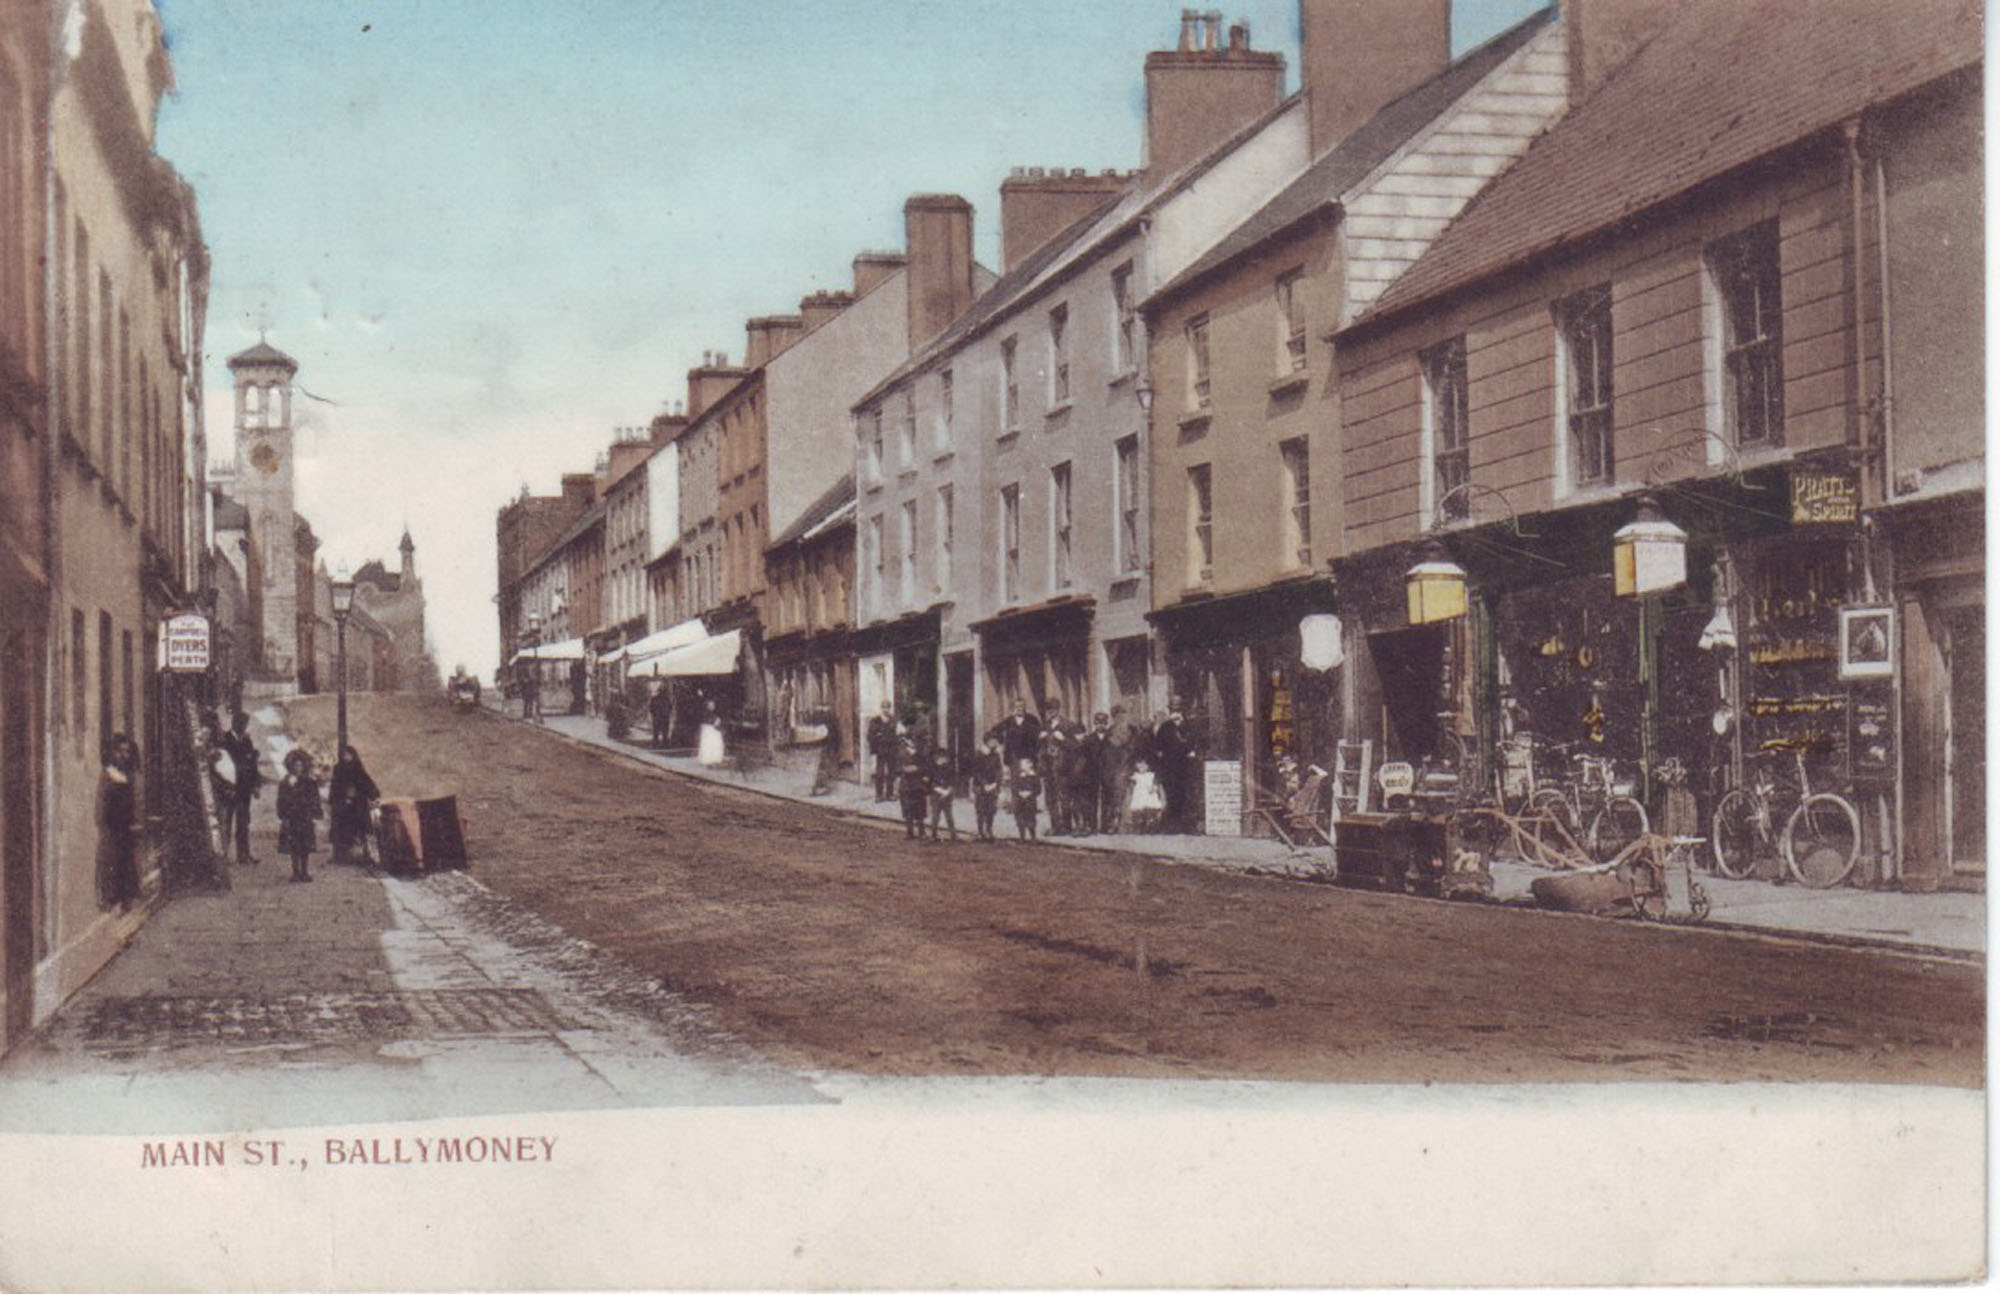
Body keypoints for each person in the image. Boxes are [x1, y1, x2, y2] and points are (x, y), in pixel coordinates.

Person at [98, 734, 142, 911]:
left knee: (127, 861)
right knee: (115, 862)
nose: (124, 755)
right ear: (112, 752)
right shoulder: (110, 773)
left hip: (127, 825)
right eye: (120, 751)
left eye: (127, 752)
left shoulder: (129, 774)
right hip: (115, 826)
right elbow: (105, 803)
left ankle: (126, 899)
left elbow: (135, 800)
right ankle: (115, 898)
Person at [219, 711, 262, 864]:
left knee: (243, 823)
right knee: (226, 823)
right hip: (230, 789)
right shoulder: (224, 740)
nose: (243, 727)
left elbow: (253, 765)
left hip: (244, 789)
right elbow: (221, 766)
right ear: (234, 723)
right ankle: (223, 856)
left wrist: (256, 786)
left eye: (245, 724)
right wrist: (225, 786)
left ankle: (243, 855)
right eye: (241, 724)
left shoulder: (247, 741)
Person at [275, 749, 323, 883]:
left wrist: (315, 812)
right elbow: (281, 800)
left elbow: (315, 798)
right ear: (291, 766)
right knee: (294, 845)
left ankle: (305, 871)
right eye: (296, 765)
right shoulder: (285, 782)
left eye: (301, 766)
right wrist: (283, 815)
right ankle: (295, 872)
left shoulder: (309, 781)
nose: (298, 768)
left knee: (305, 845)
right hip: (292, 817)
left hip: (305, 817)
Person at [328, 745, 380, 866]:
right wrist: (337, 798)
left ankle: (363, 856)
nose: (346, 757)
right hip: (343, 804)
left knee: (360, 829)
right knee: (343, 829)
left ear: (353, 756)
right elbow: (335, 785)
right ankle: (343, 856)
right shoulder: (338, 769)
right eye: (344, 755)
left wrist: (374, 794)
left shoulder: (358, 769)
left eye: (348, 755)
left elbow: (366, 783)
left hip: (357, 805)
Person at [970, 736, 1004, 842]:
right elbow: (976, 772)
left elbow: (999, 770)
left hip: (993, 786)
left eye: (995, 741)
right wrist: (984, 784)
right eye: (992, 741)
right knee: (981, 809)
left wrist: (995, 783)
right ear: (987, 742)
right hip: (980, 786)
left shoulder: (996, 755)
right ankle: (981, 832)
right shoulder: (978, 754)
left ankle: (989, 830)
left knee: (991, 810)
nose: (994, 743)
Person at [990, 699, 1041, 767]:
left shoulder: (1032, 719)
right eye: (1017, 707)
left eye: (1021, 706)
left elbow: (1039, 733)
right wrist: (1000, 743)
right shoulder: (1009, 720)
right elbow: (995, 730)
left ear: (1025, 707)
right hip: (1012, 756)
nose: (1019, 709)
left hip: (1028, 756)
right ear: (1013, 708)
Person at [897, 739, 930, 840]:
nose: (909, 748)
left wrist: (917, 769)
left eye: (912, 745)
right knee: (908, 811)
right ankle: (909, 832)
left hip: (918, 787)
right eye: (907, 745)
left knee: (920, 811)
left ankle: (922, 832)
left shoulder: (921, 756)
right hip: (906, 787)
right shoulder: (901, 756)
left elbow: (926, 769)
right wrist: (907, 769)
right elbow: (898, 769)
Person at [866, 701, 898, 802]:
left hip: (891, 750)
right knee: (879, 773)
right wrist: (875, 746)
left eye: (887, 708)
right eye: (884, 708)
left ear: (890, 708)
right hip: (880, 750)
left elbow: (897, 734)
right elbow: (870, 736)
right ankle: (879, 795)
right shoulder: (875, 721)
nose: (886, 710)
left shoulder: (893, 720)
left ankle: (890, 794)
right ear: (881, 709)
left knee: (891, 772)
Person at [809, 708, 844, 796]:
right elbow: (837, 734)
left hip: (826, 745)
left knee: (823, 766)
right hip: (828, 745)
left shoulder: (824, 717)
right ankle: (821, 786)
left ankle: (820, 786)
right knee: (824, 766)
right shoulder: (831, 717)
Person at [927, 746, 958, 842]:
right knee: (935, 816)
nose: (941, 760)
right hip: (935, 795)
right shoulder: (931, 769)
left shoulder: (950, 769)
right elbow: (930, 782)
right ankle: (933, 835)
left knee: (949, 816)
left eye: (943, 758)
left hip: (947, 795)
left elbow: (953, 781)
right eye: (939, 758)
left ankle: (953, 835)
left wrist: (948, 791)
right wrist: (939, 790)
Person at [1010, 758, 1040, 842]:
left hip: (1030, 801)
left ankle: (1033, 837)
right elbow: (1013, 787)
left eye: (1025, 764)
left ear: (1030, 765)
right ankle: (1022, 836)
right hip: (1019, 801)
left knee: (1031, 819)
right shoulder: (1017, 775)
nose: (1022, 766)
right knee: (1020, 819)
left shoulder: (1034, 776)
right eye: (1022, 764)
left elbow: (1038, 789)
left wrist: (1030, 793)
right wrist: (1020, 793)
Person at [697, 699, 727, 767]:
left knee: (715, 743)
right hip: (708, 730)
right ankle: (707, 759)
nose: (712, 706)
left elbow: (717, 723)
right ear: (707, 706)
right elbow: (707, 721)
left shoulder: (715, 714)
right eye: (710, 705)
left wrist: (717, 722)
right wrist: (715, 721)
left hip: (713, 730)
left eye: (713, 705)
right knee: (708, 744)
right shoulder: (705, 713)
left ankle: (714, 759)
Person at [648, 681, 673, 748]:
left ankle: (656, 743)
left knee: (656, 731)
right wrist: (667, 713)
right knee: (664, 731)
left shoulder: (654, 698)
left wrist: (654, 714)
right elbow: (670, 707)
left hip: (658, 716)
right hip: (664, 716)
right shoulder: (666, 699)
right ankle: (664, 743)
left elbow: (651, 708)